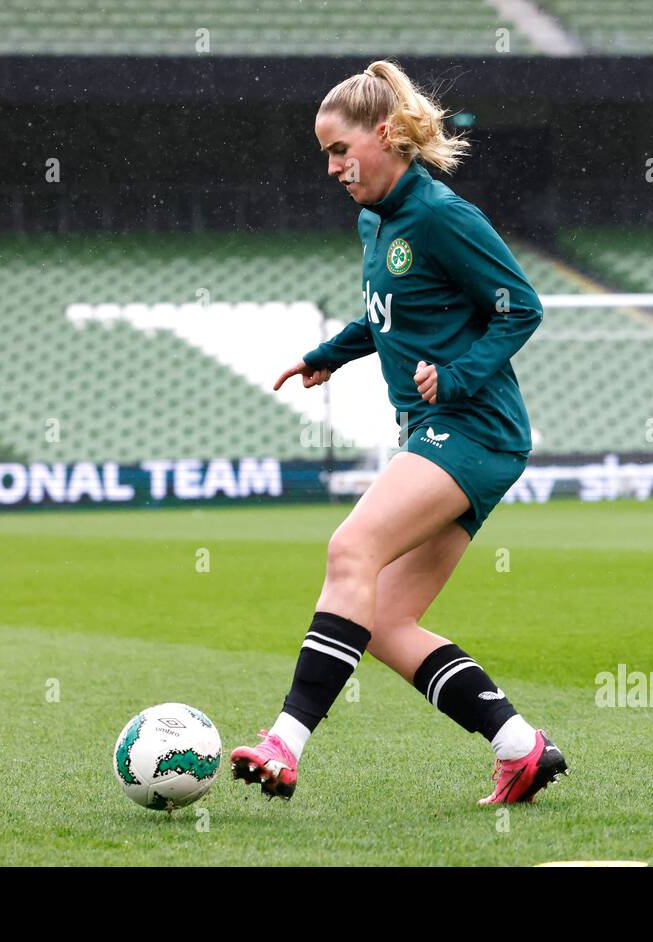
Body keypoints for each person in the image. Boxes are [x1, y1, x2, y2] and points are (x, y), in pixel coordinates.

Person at [230, 59, 565, 805]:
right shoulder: (374, 218)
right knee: (383, 618)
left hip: (472, 425)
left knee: (352, 547)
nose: (332, 167)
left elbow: (522, 306)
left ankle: (285, 742)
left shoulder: (443, 215)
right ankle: (522, 748)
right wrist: (330, 355)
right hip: (440, 429)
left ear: (384, 134)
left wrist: (458, 374)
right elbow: (390, 315)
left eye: (340, 150)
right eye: (324, 154)